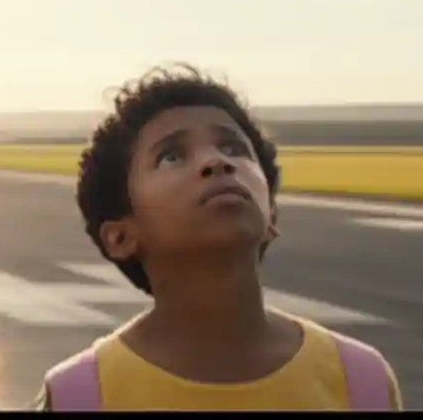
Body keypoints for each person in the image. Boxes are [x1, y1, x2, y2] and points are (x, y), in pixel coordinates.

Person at [37, 65, 402, 411]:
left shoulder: (359, 380)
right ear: (120, 236)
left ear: (272, 214)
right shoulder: (80, 395)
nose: (216, 162)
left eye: (233, 149)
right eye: (171, 156)